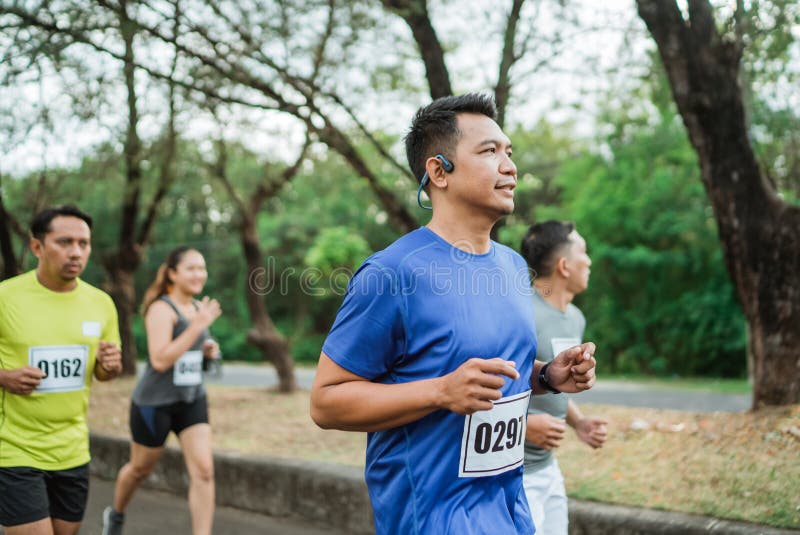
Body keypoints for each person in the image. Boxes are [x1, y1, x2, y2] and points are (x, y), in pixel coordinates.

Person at [310, 94, 597, 534]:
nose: (509, 166)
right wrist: (439, 392)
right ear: (439, 171)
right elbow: (326, 402)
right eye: (488, 151)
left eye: (508, 152)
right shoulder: (392, 273)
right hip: (430, 521)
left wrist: (545, 377)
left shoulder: (510, 268)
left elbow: (489, 369)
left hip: (512, 516)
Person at [0, 205, 123, 535]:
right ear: (37, 247)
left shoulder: (101, 303)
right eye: (65, 242)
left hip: (72, 451)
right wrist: (3, 377)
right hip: (14, 449)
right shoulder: (6, 297)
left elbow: (103, 374)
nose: (76, 252)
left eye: (84, 243)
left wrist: (109, 367)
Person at [101, 246, 221, 535]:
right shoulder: (161, 309)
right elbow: (160, 359)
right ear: (172, 273)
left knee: (204, 471)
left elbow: (188, 355)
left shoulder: (195, 308)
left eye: (202, 268)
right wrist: (198, 327)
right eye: (191, 268)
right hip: (154, 404)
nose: (199, 274)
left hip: (192, 399)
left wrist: (207, 352)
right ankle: (115, 515)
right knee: (140, 469)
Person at [520, 221, 608, 535]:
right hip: (514, 475)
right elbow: (497, 383)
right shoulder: (520, 312)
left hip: (548, 468)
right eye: (583, 252)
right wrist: (524, 427)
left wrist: (579, 422)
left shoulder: (575, 318)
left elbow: (550, 381)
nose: (589, 260)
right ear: (564, 265)